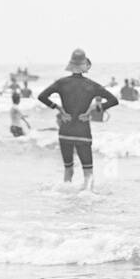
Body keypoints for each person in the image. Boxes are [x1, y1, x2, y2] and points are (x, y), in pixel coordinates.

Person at [37, 49, 120, 190]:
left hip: (65, 132)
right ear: (84, 65)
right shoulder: (92, 85)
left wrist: (59, 109)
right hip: (83, 132)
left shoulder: (61, 83)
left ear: (71, 64)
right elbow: (114, 100)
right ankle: (86, 199)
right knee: (88, 172)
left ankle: (66, 198)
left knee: (68, 170)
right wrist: (95, 108)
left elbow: (42, 96)